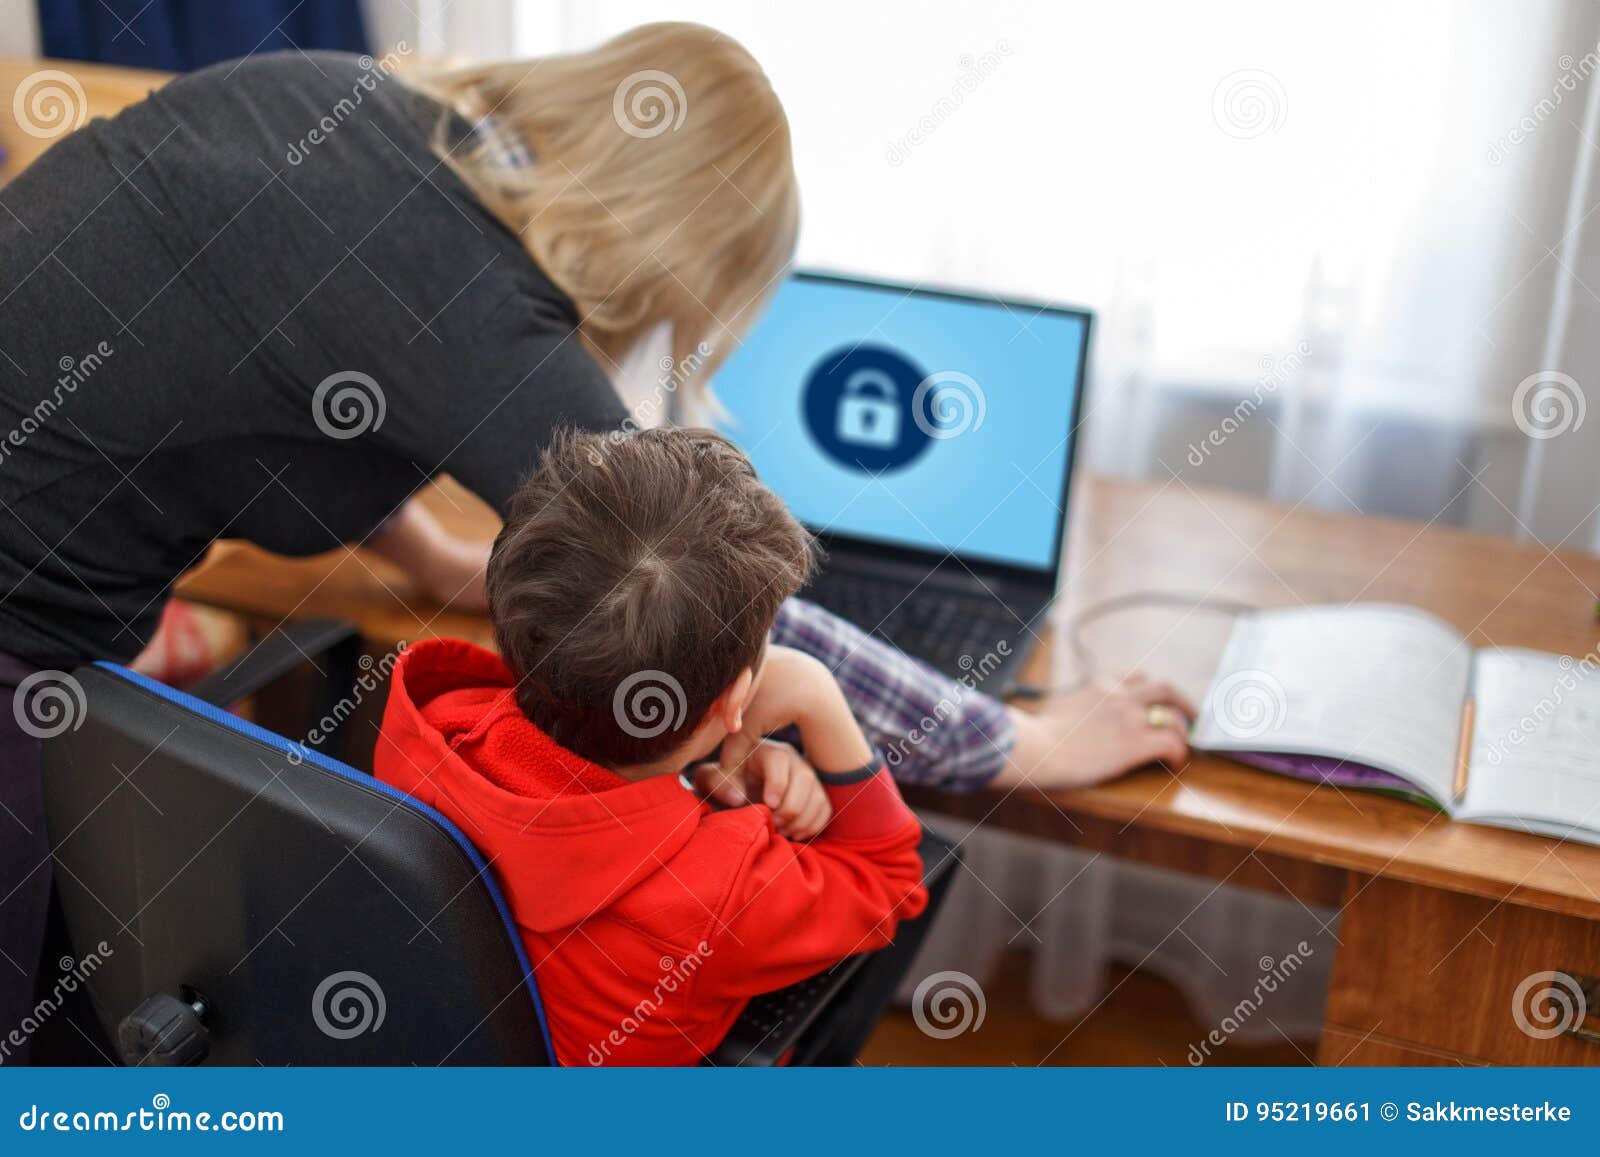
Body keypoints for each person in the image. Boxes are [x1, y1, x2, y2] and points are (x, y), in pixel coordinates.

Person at [0, 22, 1189, 1057]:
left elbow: (289, 370)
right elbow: (738, 603)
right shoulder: (483, 313)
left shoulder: (343, 104)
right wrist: (1015, 738)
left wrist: (430, 562)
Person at [375, 428, 929, 1065]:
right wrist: (816, 692)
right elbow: (890, 881)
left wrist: (700, 790)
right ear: (734, 701)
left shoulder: (432, 720)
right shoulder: (720, 892)